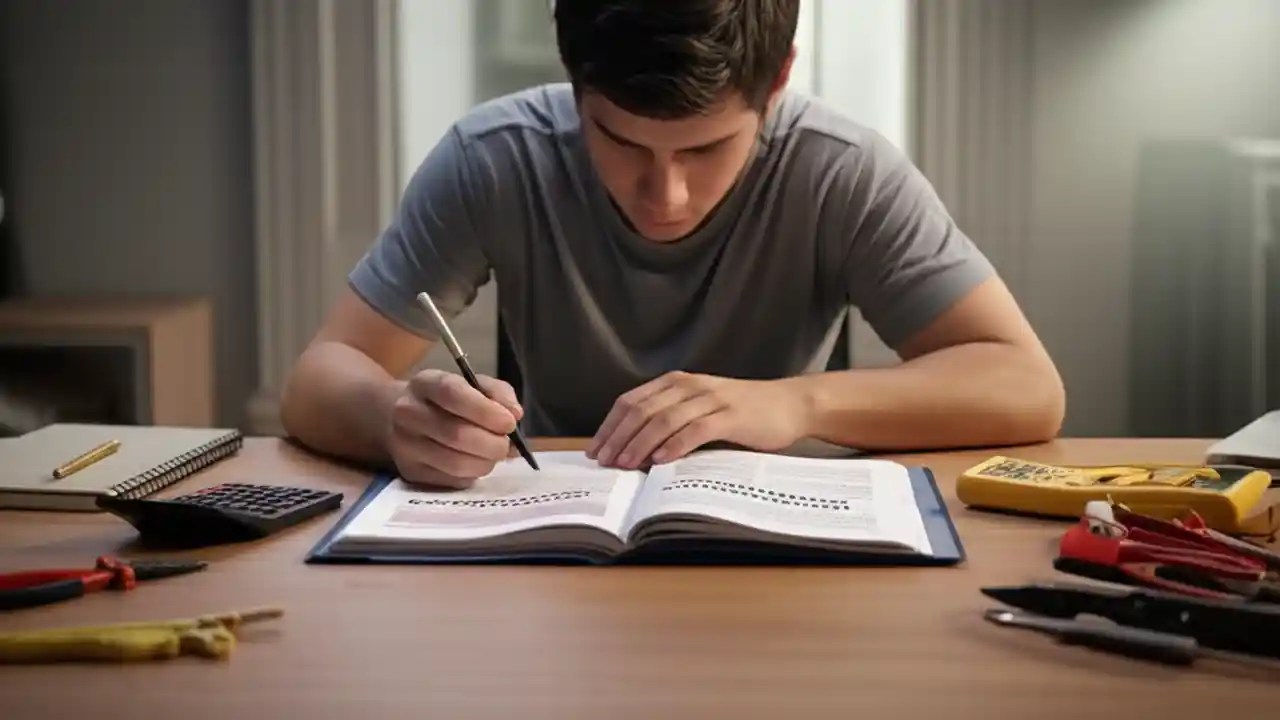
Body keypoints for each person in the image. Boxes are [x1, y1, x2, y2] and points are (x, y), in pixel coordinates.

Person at [280, 0, 1065, 489]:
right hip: (556, 550)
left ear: (779, 80)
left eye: (706, 149)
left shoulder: (841, 170)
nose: (667, 197)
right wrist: (393, 417)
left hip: (774, 548)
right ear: (575, 84)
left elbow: (1027, 386)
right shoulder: (493, 158)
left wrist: (797, 402)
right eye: (620, 142)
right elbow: (317, 380)